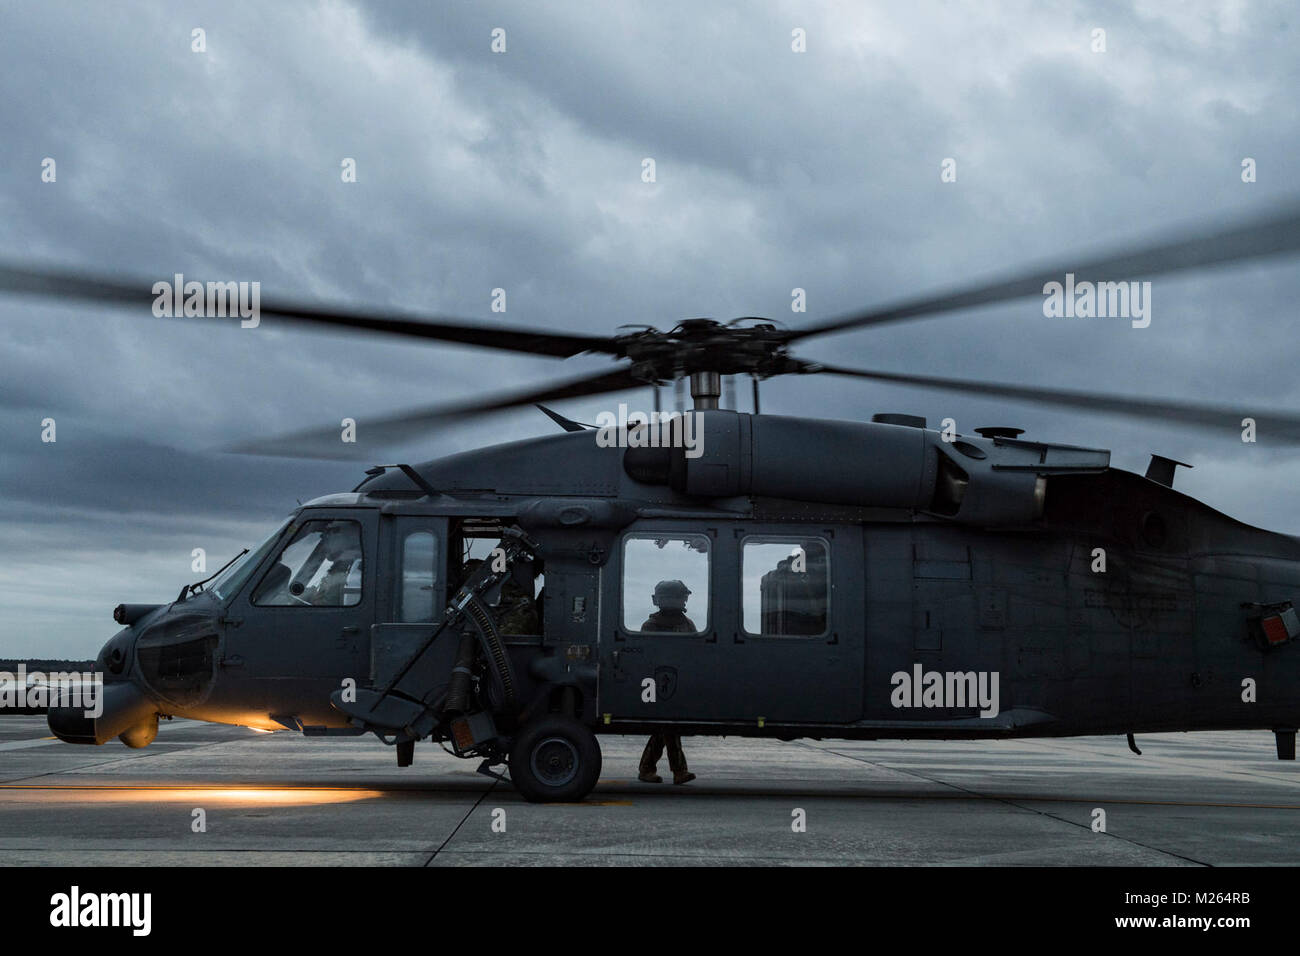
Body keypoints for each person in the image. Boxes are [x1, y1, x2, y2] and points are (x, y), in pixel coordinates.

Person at [638, 579, 696, 785]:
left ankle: (648, 768)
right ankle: (677, 770)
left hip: (673, 683)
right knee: (668, 726)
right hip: (659, 684)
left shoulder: (685, 625)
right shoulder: (653, 626)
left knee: (666, 727)